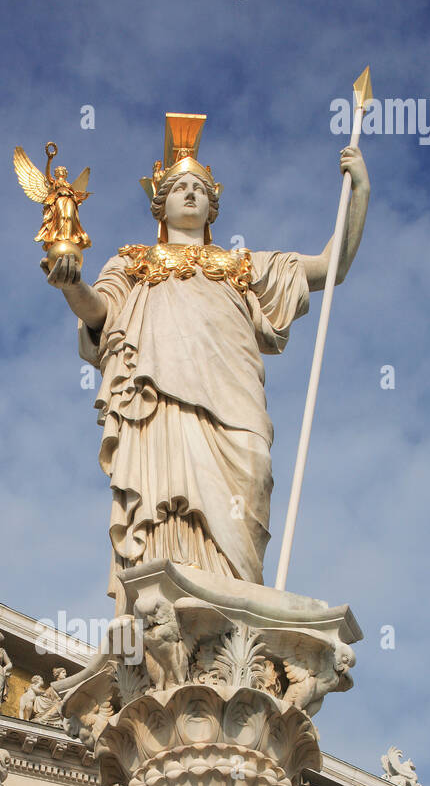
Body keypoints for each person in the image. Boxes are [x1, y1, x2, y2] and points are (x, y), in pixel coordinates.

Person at [47, 120, 369, 607]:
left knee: (253, 473)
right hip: (160, 406)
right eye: (179, 187)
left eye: (199, 188)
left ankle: (238, 601)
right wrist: (72, 283)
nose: (191, 194)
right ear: (161, 203)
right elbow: (100, 314)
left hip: (235, 403)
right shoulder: (133, 265)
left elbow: (331, 266)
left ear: (213, 204)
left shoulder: (244, 267)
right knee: (168, 505)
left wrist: (360, 188)